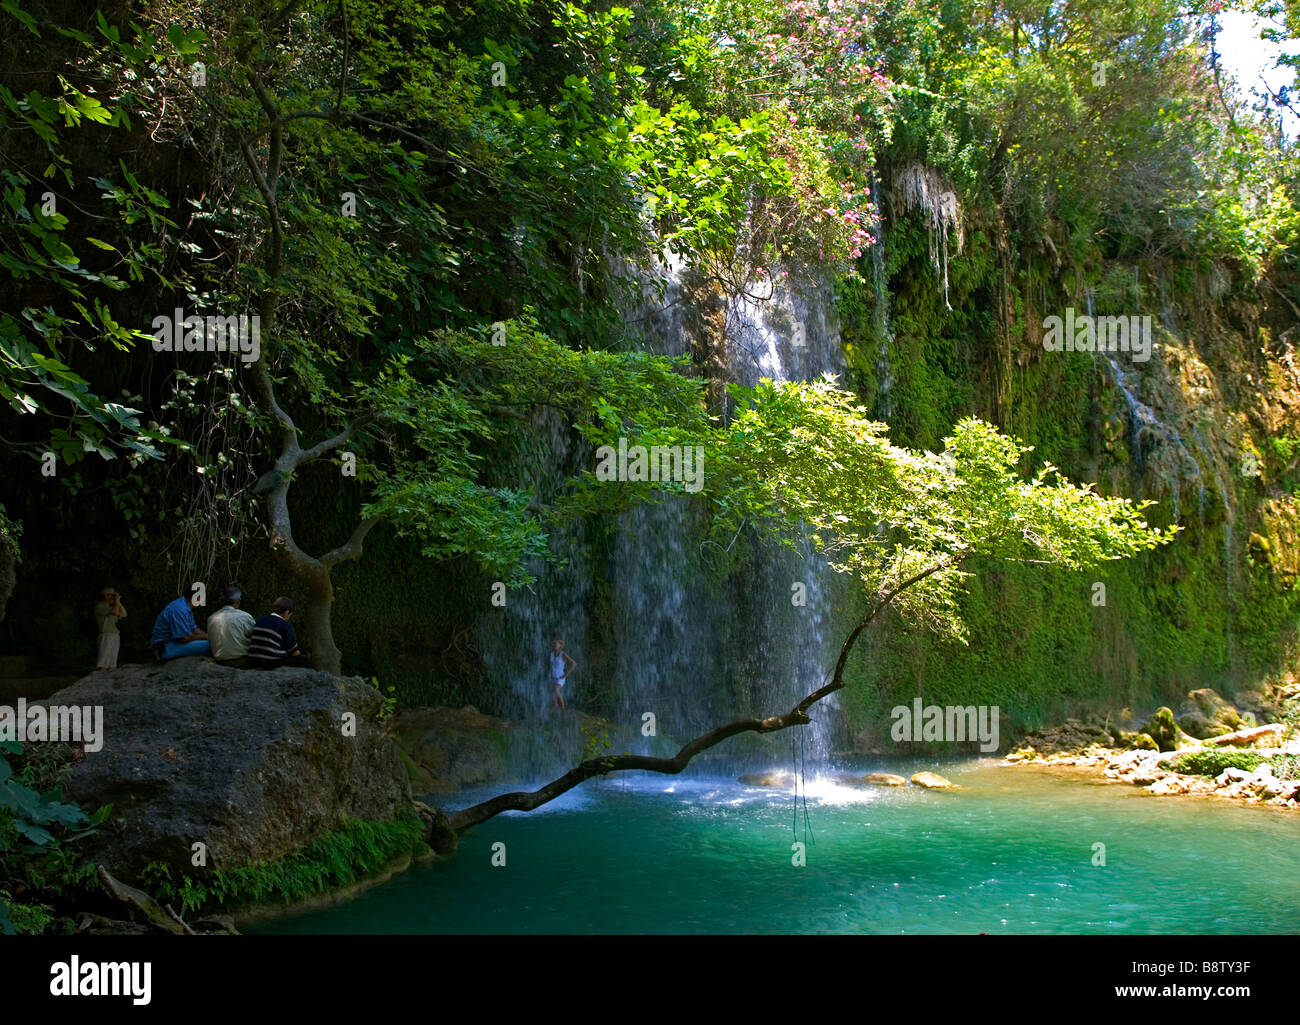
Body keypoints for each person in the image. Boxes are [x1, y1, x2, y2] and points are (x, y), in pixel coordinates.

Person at [246, 597, 312, 669]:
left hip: (253, 660)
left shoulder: (259, 620)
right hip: (271, 662)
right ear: (286, 613)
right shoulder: (284, 625)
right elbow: (294, 652)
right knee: (303, 660)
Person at [149, 585, 210, 660]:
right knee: (211, 646)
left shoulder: (185, 606)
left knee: (211, 642)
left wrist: (207, 636)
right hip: (165, 648)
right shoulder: (180, 610)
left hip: (172, 643)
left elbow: (194, 629)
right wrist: (205, 637)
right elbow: (184, 638)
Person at [207, 586, 256, 667]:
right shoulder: (245, 616)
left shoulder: (211, 618)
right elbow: (255, 636)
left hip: (219, 660)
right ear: (238, 601)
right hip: (241, 660)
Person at [93, 587, 126, 670]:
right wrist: (117, 602)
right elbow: (114, 612)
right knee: (103, 661)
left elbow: (124, 614)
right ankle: (99, 676)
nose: (112, 598)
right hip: (106, 634)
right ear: (105, 596)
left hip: (114, 634)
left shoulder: (113, 606)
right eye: (111, 596)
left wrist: (119, 603)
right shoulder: (100, 606)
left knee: (112, 661)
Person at [547, 637, 576, 711]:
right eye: (554, 643)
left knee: (557, 690)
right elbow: (549, 665)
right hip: (553, 677)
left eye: (556, 643)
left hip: (561, 677)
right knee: (553, 694)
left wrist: (566, 674)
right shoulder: (551, 654)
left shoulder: (563, 654)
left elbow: (574, 664)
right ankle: (556, 708)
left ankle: (563, 710)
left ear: (560, 645)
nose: (554, 645)